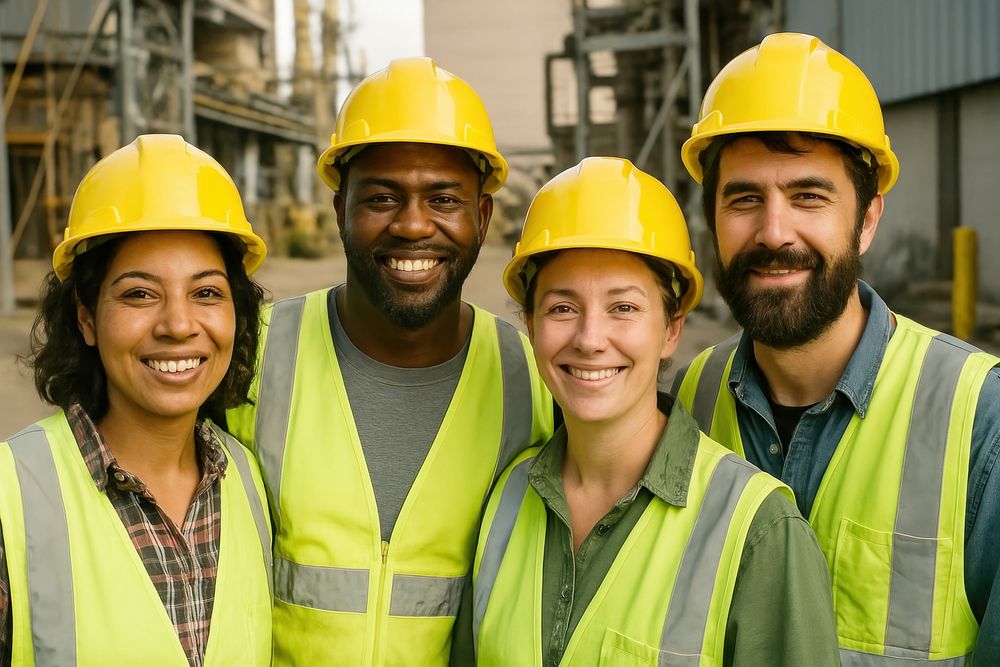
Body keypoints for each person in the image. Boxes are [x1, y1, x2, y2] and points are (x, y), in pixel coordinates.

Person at [673, 32, 1000, 664]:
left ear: (868, 218)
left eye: (808, 197)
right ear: (711, 218)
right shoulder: (689, 400)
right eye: (744, 199)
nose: (773, 232)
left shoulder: (979, 420)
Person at [225, 57, 553, 665]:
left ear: (481, 218)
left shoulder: (533, 379)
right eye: (381, 197)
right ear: (340, 209)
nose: (411, 225)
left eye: (443, 199)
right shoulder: (252, 355)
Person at [462, 156, 839, 665]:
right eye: (562, 308)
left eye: (624, 308)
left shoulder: (757, 529)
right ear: (530, 325)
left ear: (671, 329)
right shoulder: (506, 499)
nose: (591, 340)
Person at [0, 134, 273, 666]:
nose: (177, 325)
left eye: (207, 293)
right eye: (139, 294)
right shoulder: (11, 497)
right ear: (86, 318)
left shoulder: (247, 479)